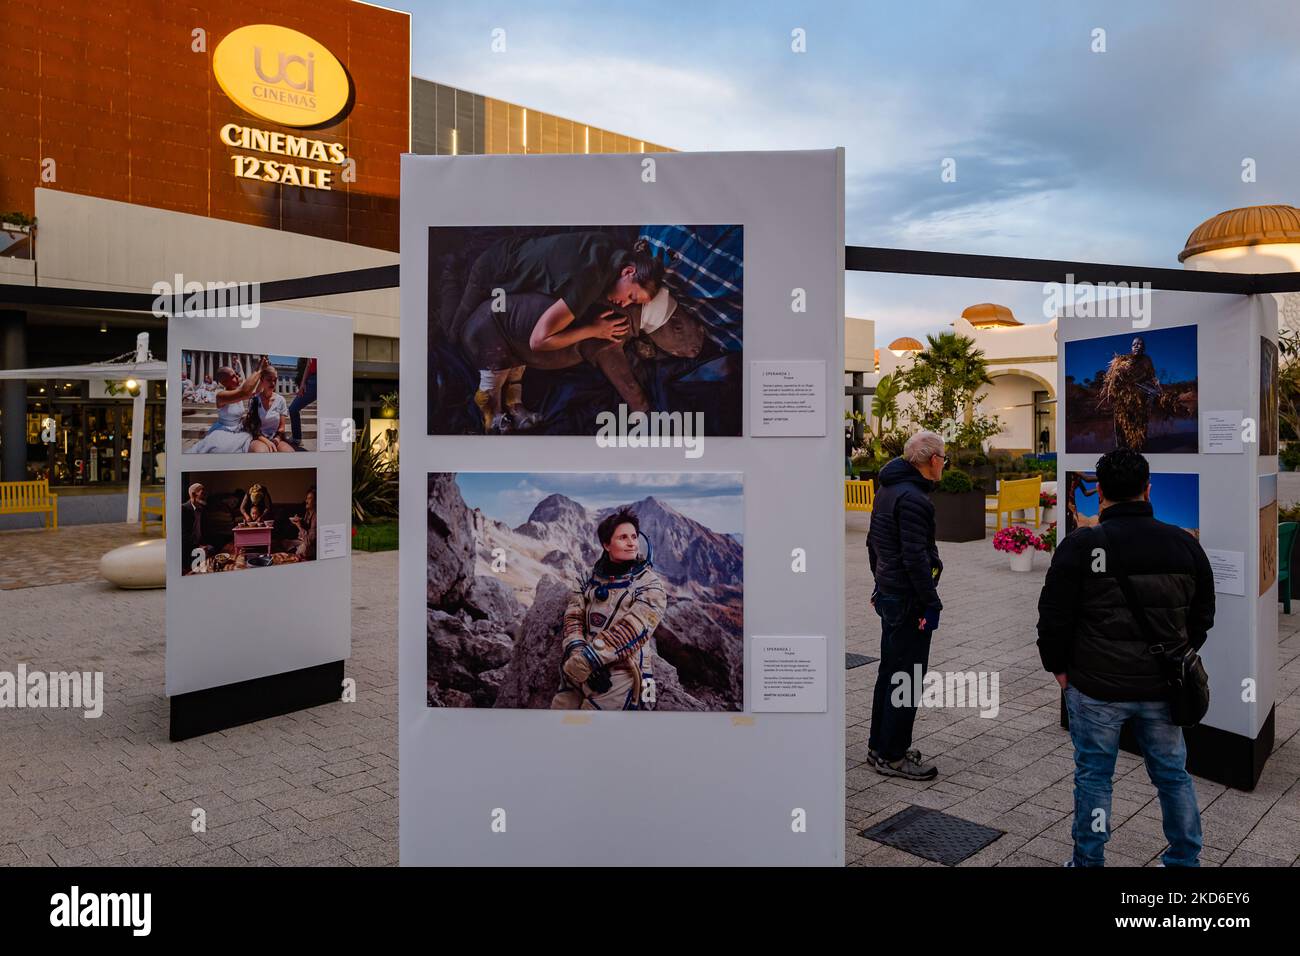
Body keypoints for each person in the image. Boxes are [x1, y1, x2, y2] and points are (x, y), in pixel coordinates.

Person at [1037, 447, 1215, 867]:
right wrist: (1175, 655)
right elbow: (1202, 617)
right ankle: (1185, 861)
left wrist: (1060, 670)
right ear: (1147, 489)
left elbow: (1053, 618)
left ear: (1100, 495)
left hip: (1095, 688)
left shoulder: (1081, 546)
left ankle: (1089, 860)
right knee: (1173, 776)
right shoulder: (1183, 545)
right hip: (1162, 687)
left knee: (1095, 778)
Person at [447, 232, 665, 432]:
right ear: (628, 271)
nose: (625, 304)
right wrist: (593, 330)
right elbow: (538, 341)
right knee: (454, 334)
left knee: (515, 344)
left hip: (519, 266)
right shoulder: (590, 281)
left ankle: (514, 406)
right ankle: (450, 273)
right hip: (493, 272)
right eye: (631, 297)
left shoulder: (613, 251)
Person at [865, 430, 947, 780]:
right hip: (908, 599)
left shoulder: (887, 490)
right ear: (933, 460)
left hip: (891, 594)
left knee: (890, 671)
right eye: (945, 458)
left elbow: (873, 544)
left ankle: (880, 746)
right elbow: (915, 558)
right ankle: (894, 755)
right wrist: (931, 604)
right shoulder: (914, 499)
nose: (945, 464)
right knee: (907, 677)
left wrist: (879, 583)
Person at [551, 508, 668, 711]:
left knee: (590, 733)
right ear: (606, 545)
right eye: (623, 537)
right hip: (580, 664)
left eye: (634, 536)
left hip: (624, 672)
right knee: (559, 716)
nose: (632, 543)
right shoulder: (586, 578)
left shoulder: (650, 585)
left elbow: (634, 629)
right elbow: (573, 617)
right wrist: (577, 655)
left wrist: (590, 660)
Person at [190, 357, 271, 453]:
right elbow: (245, 392)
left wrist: (263, 373)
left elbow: (254, 391)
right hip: (223, 432)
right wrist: (259, 369)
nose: (237, 377)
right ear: (224, 382)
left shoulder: (238, 391)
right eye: (233, 376)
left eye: (236, 374)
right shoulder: (221, 396)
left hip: (240, 431)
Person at [247, 369, 295, 453]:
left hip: (276, 437)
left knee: (290, 452)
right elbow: (253, 428)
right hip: (258, 437)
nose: (273, 383)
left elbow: (282, 427)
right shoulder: (254, 400)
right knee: (261, 452)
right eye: (269, 380)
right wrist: (267, 442)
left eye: (275, 380)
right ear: (262, 380)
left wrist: (276, 439)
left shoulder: (281, 400)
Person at [180, 482, 209, 574]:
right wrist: (198, 546)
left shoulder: (202, 509)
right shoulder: (183, 509)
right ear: (193, 494)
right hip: (188, 547)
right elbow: (183, 535)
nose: (205, 496)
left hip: (200, 544)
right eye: (202, 493)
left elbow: (204, 530)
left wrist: (204, 544)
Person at [288, 357, 317, 448]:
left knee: (293, 409)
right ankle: (297, 438)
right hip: (312, 379)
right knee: (293, 409)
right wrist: (303, 383)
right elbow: (308, 365)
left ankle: (297, 438)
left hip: (316, 379)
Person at [289, 488, 317, 560]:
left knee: (305, 548)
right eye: (306, 498)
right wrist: (297, 522)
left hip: (311, 546)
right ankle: (296, 551)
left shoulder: (316, 517)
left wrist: (299, 526)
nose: (306, 501)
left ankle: (298, 554)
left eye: (309, 498)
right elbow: (301, 534)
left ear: (315, 502)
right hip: (302, 541)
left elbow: (309, 542)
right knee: (284, 542)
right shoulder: (307, 513)